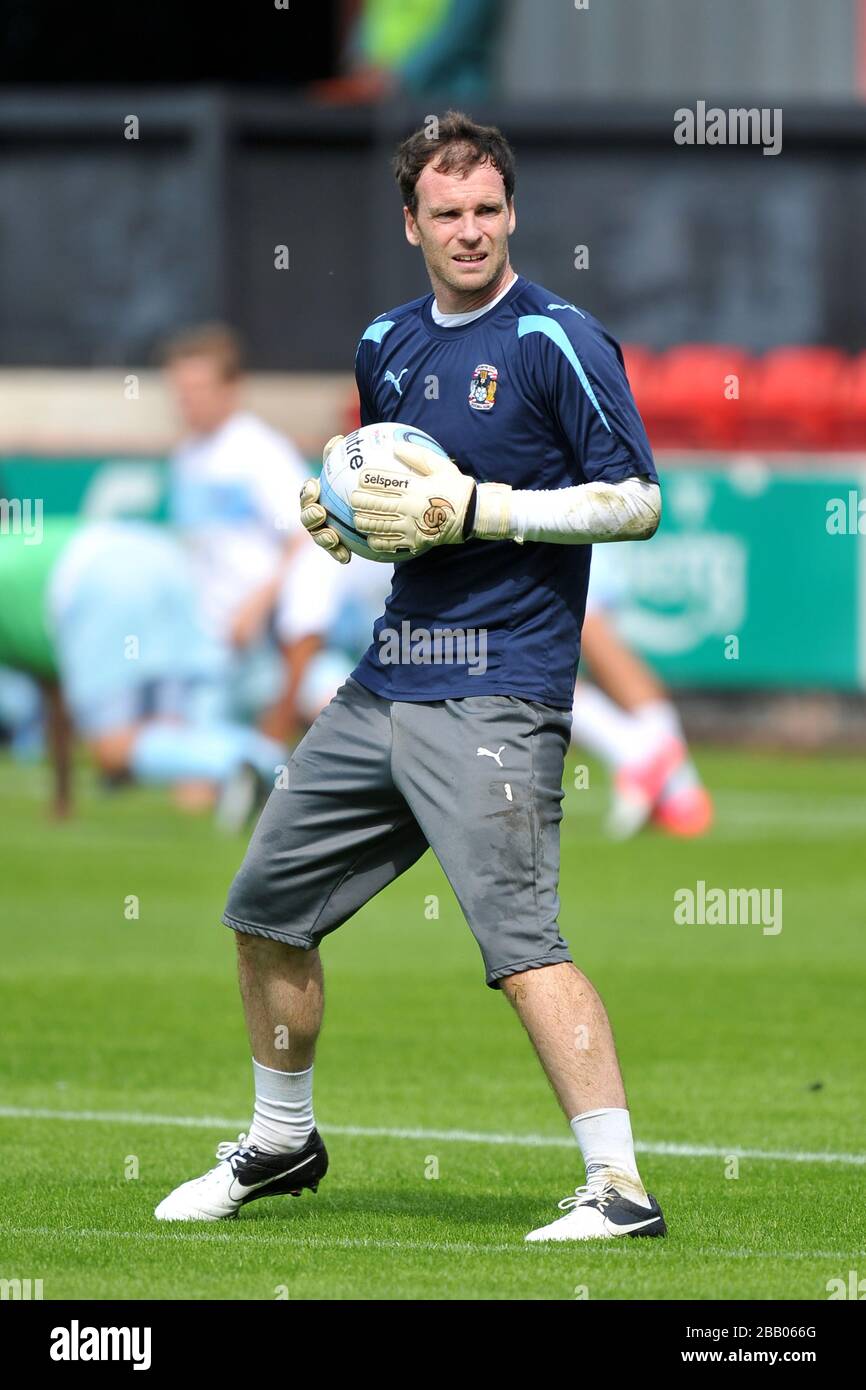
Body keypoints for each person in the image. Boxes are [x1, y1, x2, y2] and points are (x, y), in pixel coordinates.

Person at [155, 111, 667, 1242]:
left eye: (487, 208)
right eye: (448, 213)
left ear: (511, 212)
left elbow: (634, 500)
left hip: (498, 690)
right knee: (265, 909)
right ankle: (282, 1140)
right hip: (383, 681)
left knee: (520, 945)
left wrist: (481, 510)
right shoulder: (385, 341)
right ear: (411, 223)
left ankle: (620, 1189)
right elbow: (391, 491)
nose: (471, 229)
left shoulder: (558, 339)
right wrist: (337, 517)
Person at [0, 515, 285, 825]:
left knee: (112, 750)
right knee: (171, 727)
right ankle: (275, 762)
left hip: (100, 580)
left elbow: (52, 688)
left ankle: (249, 760)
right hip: (160, 554)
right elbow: (52, 685)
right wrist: (62, 799)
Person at [163, 325, 312, 742]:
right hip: (207, 643)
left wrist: (258, 604)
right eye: (180, 388)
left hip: (261, 642)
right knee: (193, 781)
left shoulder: (260, 450)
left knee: (323, 702)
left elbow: (307, 536)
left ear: (231, 387)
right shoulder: (186, 457)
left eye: (198, 387)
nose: (186, 399)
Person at [572, 543, 714, 838]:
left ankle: (641, 755)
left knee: (573, 631)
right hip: (559, 514)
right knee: (585, 636)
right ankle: (679, 790)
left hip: (555, 515)